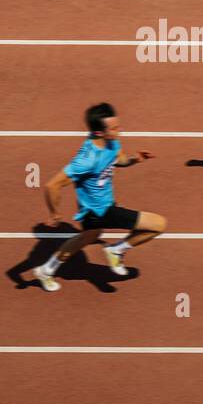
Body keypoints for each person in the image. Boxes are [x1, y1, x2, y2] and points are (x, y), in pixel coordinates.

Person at [29, 102, 166, 292]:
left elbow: (118, 159)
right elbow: (52, 185)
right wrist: (55, 214)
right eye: (115, 128)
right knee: (158, 225)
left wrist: (135, 159)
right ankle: (116, 250)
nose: (120, 130)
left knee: (89, 236)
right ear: (99, 133)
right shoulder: (86, 160)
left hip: (95, 208)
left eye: (118, 125)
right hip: (99, 211)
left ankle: (46, 270)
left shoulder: (111, 142)